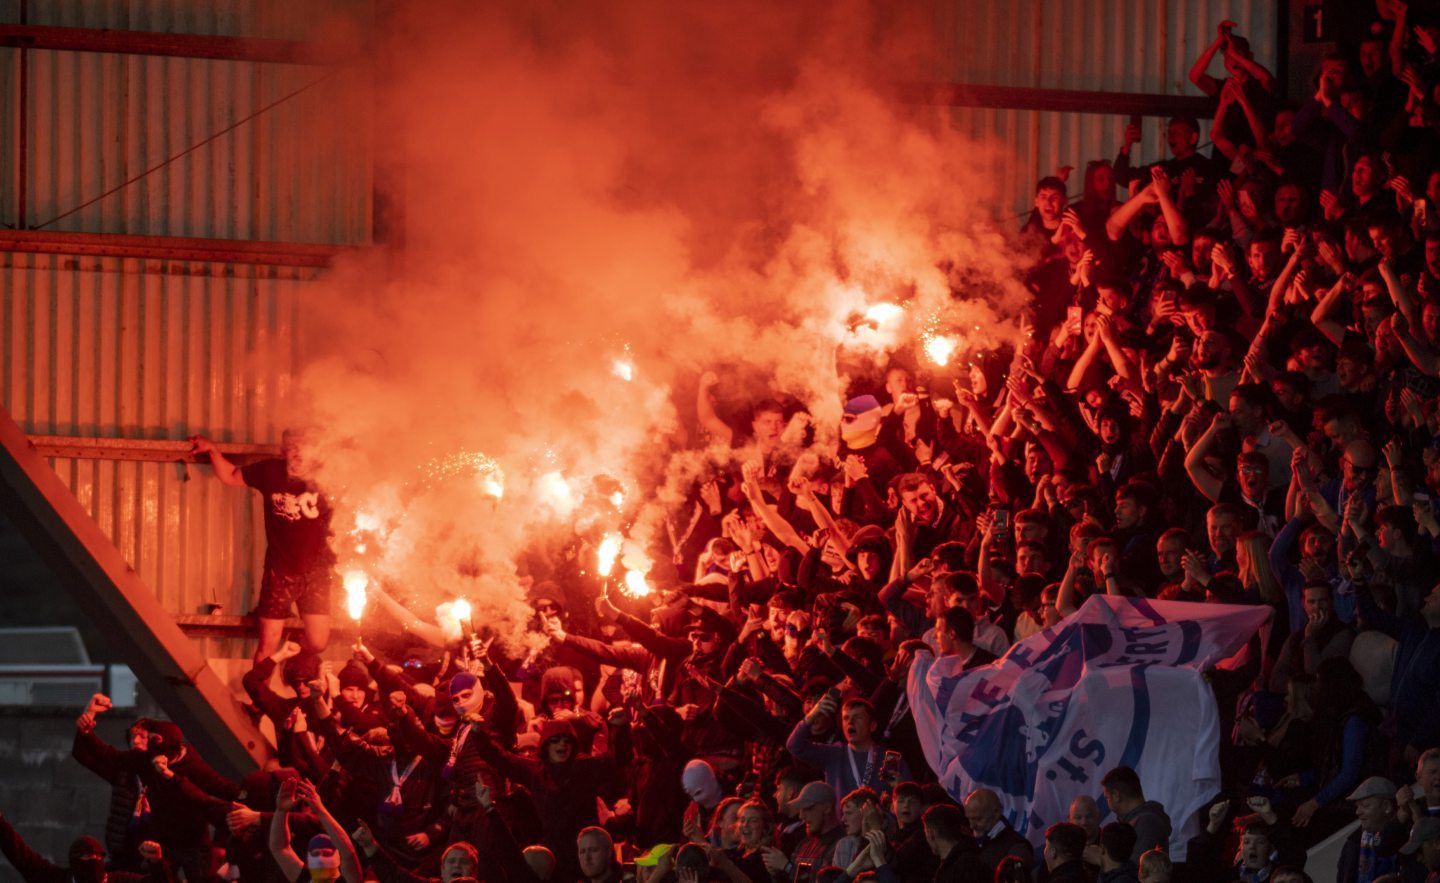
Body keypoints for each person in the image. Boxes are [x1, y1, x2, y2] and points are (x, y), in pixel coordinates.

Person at [190, 429, 337, 662]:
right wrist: (213, 451)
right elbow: (230, 476)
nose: (298, 452)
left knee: (319, 643)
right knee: (268, 645)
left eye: (303, 446)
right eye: (292, 447)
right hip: (281, 572)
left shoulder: (327, 477)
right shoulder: (270, 472)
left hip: (316, 572)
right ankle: (259, 694)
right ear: (283, 451)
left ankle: (292, 654)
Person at [1099, 767, 1171, 861]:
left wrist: (1101, 860)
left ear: (1116, 795)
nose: (1107, 802)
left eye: (1106, 797)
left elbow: (1136, 867)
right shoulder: (1144, 821)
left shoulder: (1148, 823)